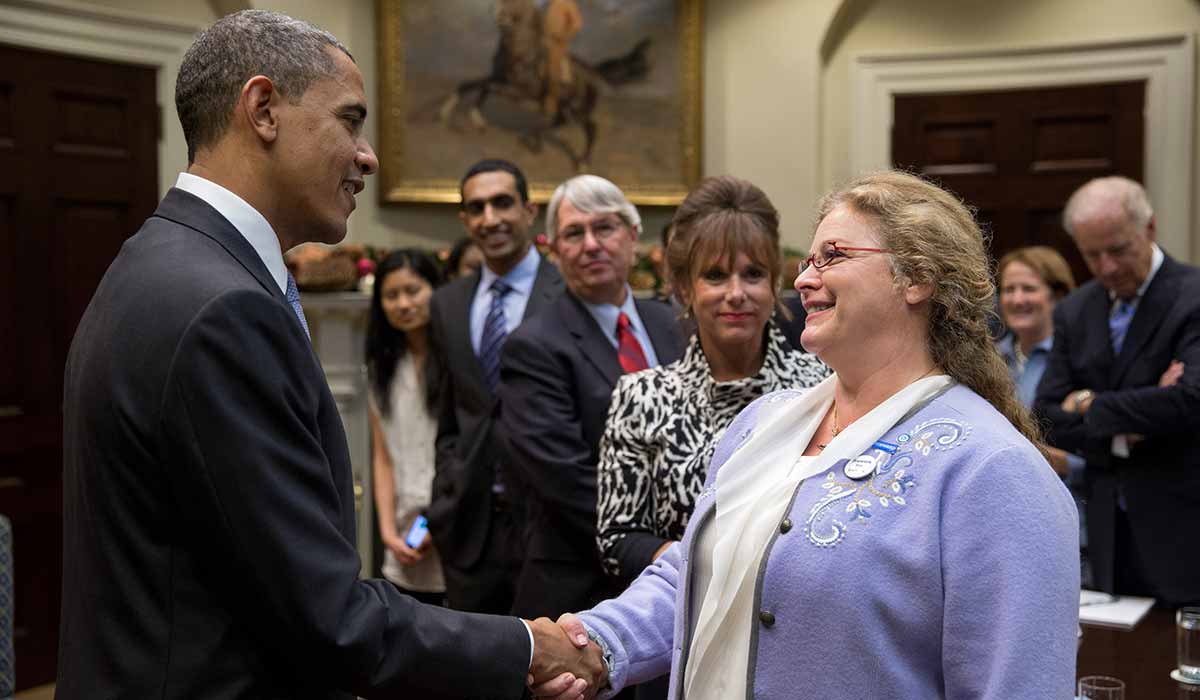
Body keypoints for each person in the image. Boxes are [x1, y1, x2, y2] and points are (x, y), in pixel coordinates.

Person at [58, 11, 597, 698]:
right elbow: (327, 618)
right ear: (263, 110)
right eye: (350, 120)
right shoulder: (224, 308)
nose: (367, 154)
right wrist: (528, 644)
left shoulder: (162, 260)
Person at [536, 170, 1080, 700]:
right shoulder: (761, 423)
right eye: (809, 260)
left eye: (834, 256)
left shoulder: (991, 468)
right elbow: (699, 578)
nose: (802, 279)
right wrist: (596, 642)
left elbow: (1015, 683)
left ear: (917, 278)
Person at [596, 175, 828, 587]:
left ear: (774, 283)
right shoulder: (641, 396)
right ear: (685, 287)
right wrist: (705, 566)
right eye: (716, 276)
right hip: (679, 619)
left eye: (753, 274)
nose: (736, 293)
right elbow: (617, 539)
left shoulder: (821, 386)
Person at [498, 175, 685, 622]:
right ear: (555, 250)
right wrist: (653, 543)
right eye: (573, 233)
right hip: (582, 589)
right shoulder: (534, 345)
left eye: (605, 228)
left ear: (633, 236)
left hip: (676, 579)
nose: (591, 245)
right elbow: (563, 477)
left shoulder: (673, 324)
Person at [1035, 175, 1200, 607]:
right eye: (1092, 255)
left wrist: (1087, 403)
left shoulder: (1193, 296)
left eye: (1119, 250)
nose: (1107, 267)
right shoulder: (1076, 309)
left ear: (1150, 229)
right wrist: (1142, 415)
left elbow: (1189, 402)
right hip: (1107, 530)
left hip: (1182, 529)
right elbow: (1048, 416)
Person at [427, 158, 564, 614]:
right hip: (469, 528)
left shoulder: (566, 293)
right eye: (477, 208)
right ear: (465, 219)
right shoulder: (447, 304)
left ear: (529, 210)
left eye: (502, 203)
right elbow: (449, 411)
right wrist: (446, 490)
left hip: (552, 525)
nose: (490, 219)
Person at [366, 249, 446, 605]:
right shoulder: (380, 369)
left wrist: (430, 525)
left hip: (450, 526)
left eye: (413, 291)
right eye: (391, 295)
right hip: (402, 534)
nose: (403, 304)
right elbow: (383, 457)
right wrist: (387, 532)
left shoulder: (456, 361)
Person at [995, 246, 1076, 408]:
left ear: (1058, 296)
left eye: (1028, 289)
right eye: (1009, 289)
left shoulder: (1076, 357)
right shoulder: (989, 356)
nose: (1017, 300)